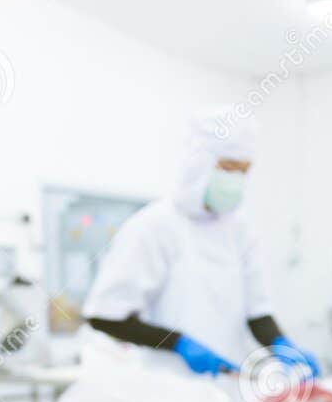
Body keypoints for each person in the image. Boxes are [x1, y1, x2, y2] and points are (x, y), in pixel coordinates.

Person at [83, 109, 318, 383]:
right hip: (167, 390)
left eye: (244, 171)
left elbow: (257, 312)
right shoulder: (153, 226)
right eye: (229, 169)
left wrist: (281, 345)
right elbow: (105, 316)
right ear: (200, 165)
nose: (236, 182)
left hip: (229, 391)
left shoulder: (240, 230)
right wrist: (179, 344)